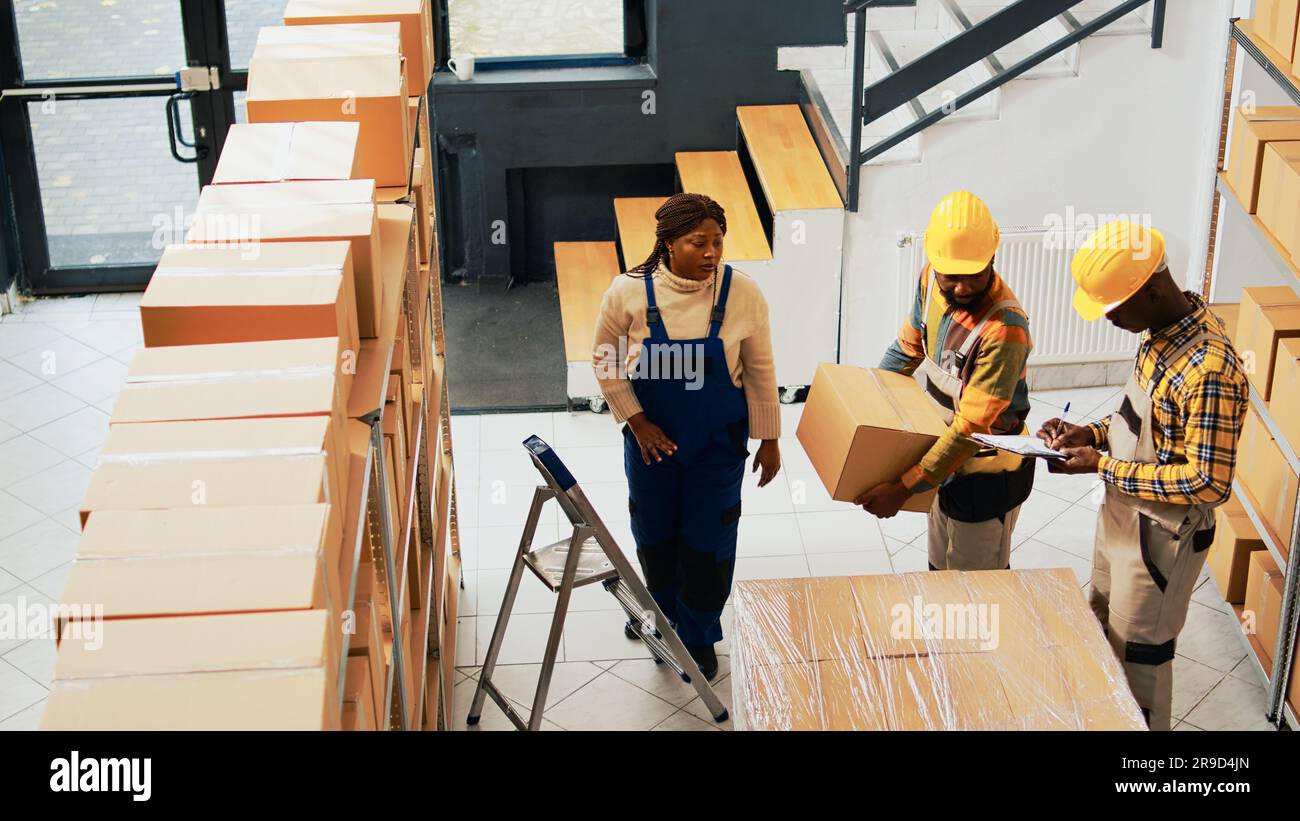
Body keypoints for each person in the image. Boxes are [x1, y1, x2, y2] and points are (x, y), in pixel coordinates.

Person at [1037, 221, 1247, 731]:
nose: (1109, 320)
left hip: (1161, 538)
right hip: (1122, 516)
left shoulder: (1209, 371)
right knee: (1104, 632)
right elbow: (1139, 422)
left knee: (1139, 664)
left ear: (1151, 292)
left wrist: (1103, 465)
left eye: (1113, 310)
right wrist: (1089, 433)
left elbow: (1207, 482)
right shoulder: (1159, 332)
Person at [591, 192, 781, 680]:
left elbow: (759, 368)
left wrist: (770, 438)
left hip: (717, 446)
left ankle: (698, 635)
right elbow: (606, 362)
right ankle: (661, 612)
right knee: (654, 533)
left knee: (708, 539)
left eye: (718, 242)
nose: (712, 253)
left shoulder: (744, 293)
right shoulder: (627, 293)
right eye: (699, 243)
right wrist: (636, 420)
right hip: (651, 444)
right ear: (670, 243)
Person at [861, 191, 1035, 571]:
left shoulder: (1004, 330)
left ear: (992, 258)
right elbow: (906, 350)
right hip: (940, 456)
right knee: (939, 567)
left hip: (986, 469)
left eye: (972, 276)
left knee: (975, 585)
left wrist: (902, 488)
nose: (960, 288)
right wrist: (867, 407)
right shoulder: (929, 281)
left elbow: (971, 429)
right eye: (950, 277)